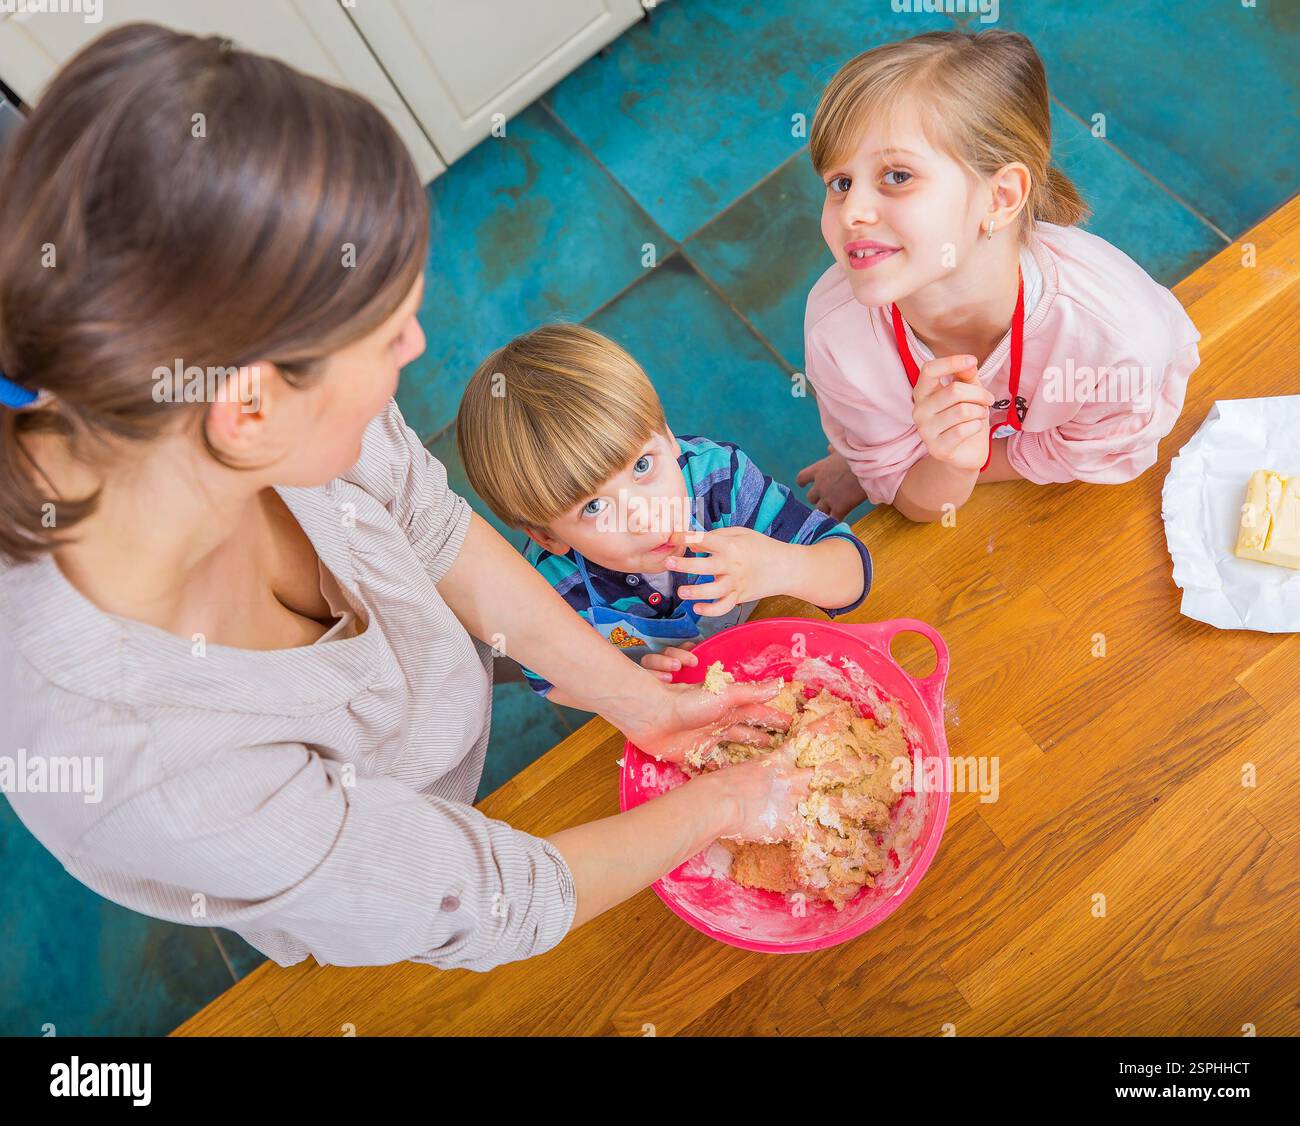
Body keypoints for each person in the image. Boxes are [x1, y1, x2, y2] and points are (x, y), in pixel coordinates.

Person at [0, 24, 811, 972]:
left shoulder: (211, 405)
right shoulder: (150, 772)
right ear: (248, 412)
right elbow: (492, 902)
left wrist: (636, 697)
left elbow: (427, 525)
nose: (416, 349)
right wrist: (727, 803)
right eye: (384, 334)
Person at [795, 30, 1201, 524]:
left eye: (897, 176)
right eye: (840, 183)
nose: (852, 210)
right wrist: (940, 464)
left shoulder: (1119, 340)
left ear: (1000, 198)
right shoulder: (837, 333)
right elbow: (923, 503)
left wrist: (937, 462)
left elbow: (1096, 448)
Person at [455, 323, 871, 700]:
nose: (642, 515)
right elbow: (551, 680)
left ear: (668, 438)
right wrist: (628, 683)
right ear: (549, 538)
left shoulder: (720, 487)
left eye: (642, 466)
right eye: (595, 507)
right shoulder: (550, 588)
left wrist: (782, 566)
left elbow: (851, 572)